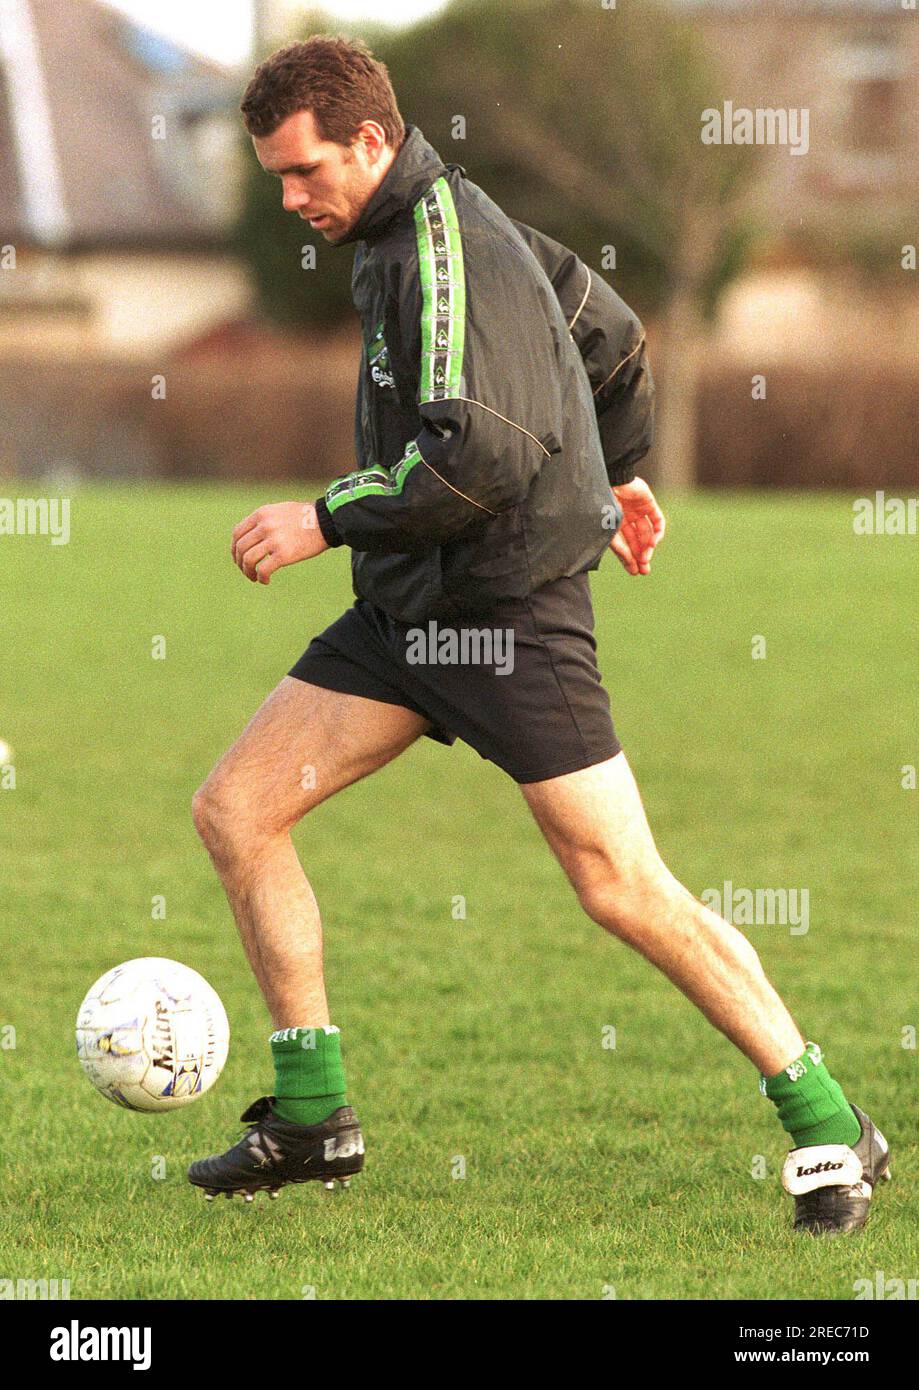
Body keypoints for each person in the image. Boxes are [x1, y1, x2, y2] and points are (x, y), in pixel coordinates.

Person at [188, 36, 888, 1235]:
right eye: (275, 178)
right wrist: (618, 473)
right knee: (236, 809)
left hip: (507, 615)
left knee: (619, 884)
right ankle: (313, 1118)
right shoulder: (412, 233)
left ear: (369, 139)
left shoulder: (445, 248)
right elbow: (610, 335)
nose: (291, 198)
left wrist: (321, 517)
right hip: (408, 612)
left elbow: (480, 452)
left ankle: (833, 1130)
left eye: (302, 171)